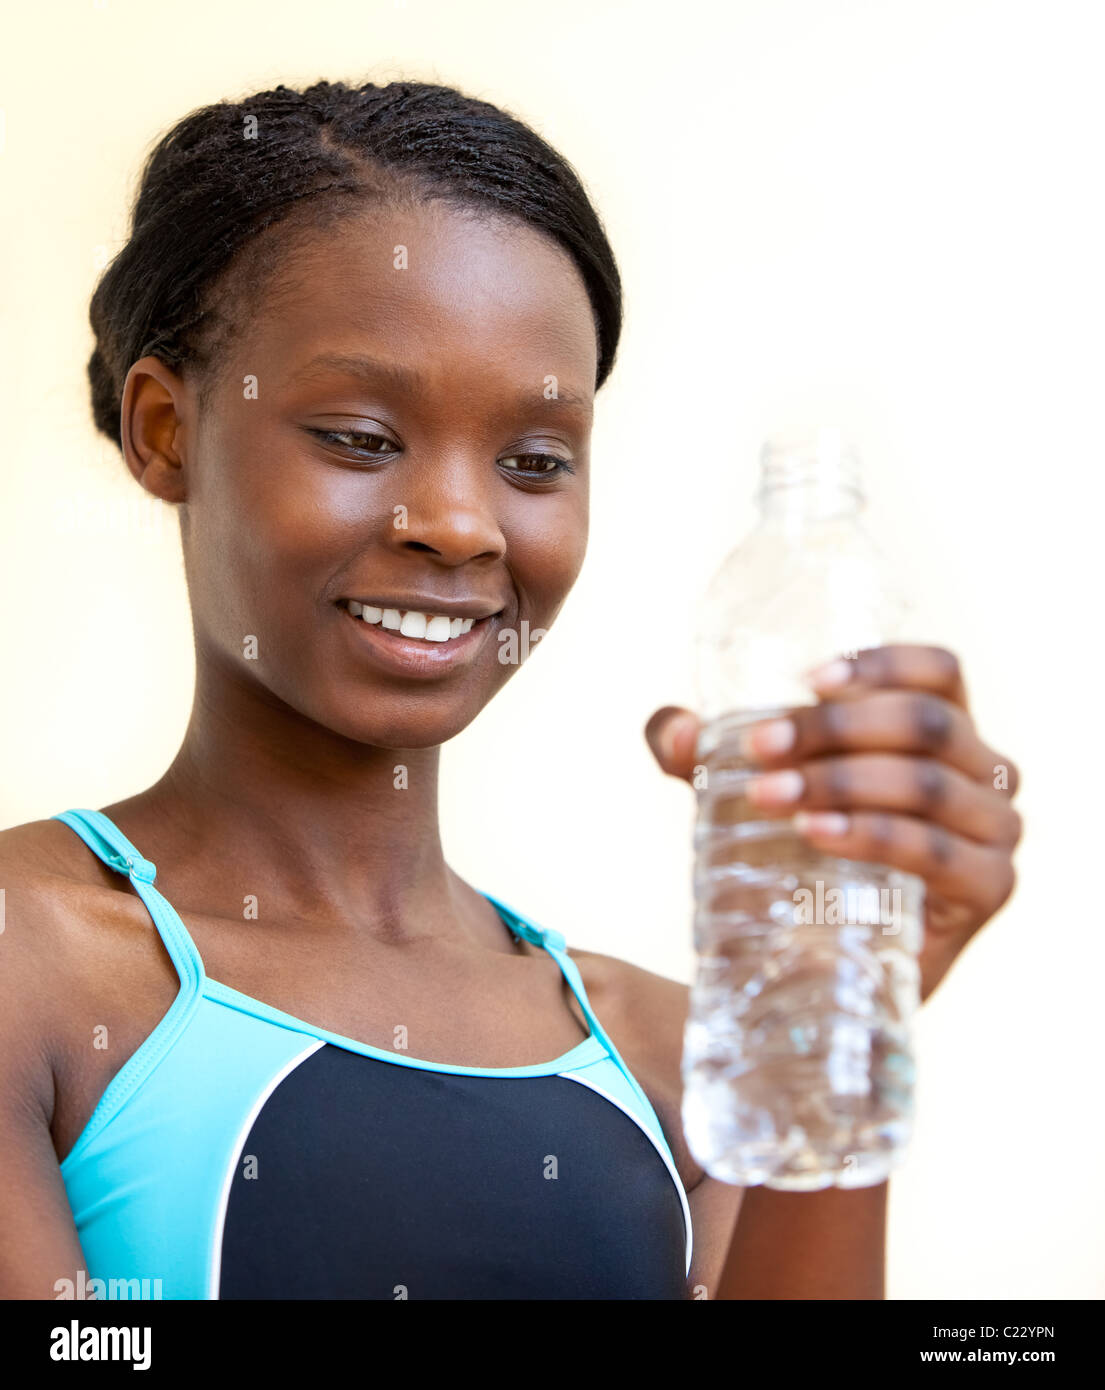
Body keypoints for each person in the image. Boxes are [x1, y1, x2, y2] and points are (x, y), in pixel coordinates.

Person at [0, 78, 1022, 1300]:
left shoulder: (668, 1055)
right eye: (361, 438)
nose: (458, 524)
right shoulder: (38, 962)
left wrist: (840, 1022)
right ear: (164, 429)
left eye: (536, 461)